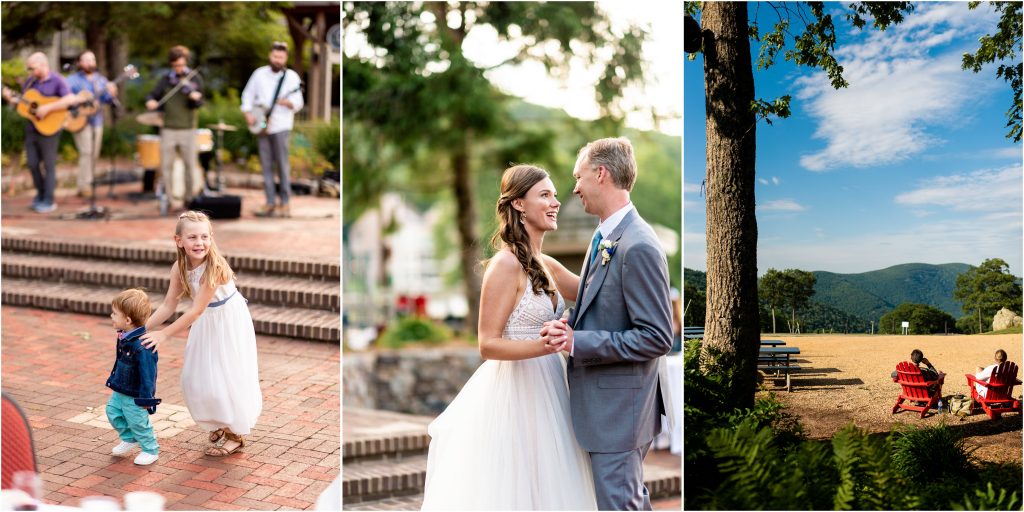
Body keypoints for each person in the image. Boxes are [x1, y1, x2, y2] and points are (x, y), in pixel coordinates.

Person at [421, 165, 598, 510]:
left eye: (555, 195)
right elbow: (487, 344)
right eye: (544, 195)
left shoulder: (547, 263)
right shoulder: (504, 265)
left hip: (552, 386)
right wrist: (547, 344)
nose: (556, 202)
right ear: (518, 204)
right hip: (514, 391)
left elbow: (597, 292)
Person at [543, 137, 674, 510]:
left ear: (600, 174)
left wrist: (576, 343)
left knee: (620, 505)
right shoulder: (604, 236)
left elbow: (657, 336)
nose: (575, 187)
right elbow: (602, 307)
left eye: (578, 176)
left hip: (620, 411)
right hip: (608, 408)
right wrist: (569, 320)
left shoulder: (638, 245)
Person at [141, 211, 262, 456]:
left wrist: (163, 335)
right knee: (194, 377)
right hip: (206, 320)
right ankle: (217, 420)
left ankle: (234, 434)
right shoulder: (180, 267)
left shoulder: (213, 268)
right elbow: (168, 306)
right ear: (179, 241)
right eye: (193, 237)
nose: (199, 243)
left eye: (204, 237)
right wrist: (139, 330)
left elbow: (195, 311)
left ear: (211, 238)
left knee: (225, 377)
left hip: (227, 321)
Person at [1, 53, 79, 213]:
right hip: (31, 129)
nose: (29, 71)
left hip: (50, 129)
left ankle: (49, 200)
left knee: (49, 165)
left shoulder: (57, 80)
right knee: (32, 163)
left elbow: (71, 99)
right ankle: (40, 195)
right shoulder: (30, 82)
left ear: (43, 64)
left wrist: (48, 108)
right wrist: (11, 99)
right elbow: (25, 104)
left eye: (32, 68)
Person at [241, 41, 304, 218]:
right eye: (275, 56)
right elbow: (247, 95)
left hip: (281, 125)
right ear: (270, 56)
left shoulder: (291, 77)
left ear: (285, 58)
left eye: (281, 57)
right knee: (266, 165)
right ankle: (269, 202)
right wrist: (248, 113)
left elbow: (299, 102)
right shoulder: (259, 74)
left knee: (282, 165)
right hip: (261, 124)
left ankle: (285, 203)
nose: (277, 60)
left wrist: (288, 102)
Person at [105, 288, 161, 466]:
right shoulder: (124, 337)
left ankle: (150, 449)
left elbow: (148, 374)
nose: (111, 316)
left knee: (138, 422)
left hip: (135, 394)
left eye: (115, 314)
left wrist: (146, 398)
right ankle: (129, 438)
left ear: (127, 320)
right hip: (121, 388)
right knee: (112, 412)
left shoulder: (143, 345)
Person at [145, 45, 204, 214]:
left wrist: (195, 97)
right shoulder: (165, 79)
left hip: (188, 129)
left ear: (185, 62)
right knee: (166, 167)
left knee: (190, 166)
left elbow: (200, 102)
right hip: (168, 129)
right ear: (171, 64)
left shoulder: (195, 79)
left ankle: (189, 200)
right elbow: (152, 96)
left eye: (181, 65)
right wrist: (150, 102)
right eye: (175, 66)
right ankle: (171, 202)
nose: (179, 69)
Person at [66, 50, 118, 198]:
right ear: (79, 63)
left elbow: (107, 99)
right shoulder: (72, 80)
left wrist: (112, 93)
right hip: (79, 120)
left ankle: (86, 184)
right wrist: (80, 100)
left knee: (93, 154)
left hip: (97, 121)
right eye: (86, 60)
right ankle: (85, 186)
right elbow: (65, 98)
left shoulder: (101, 80)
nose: (90, 63)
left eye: (92, 60)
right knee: (86, 152)